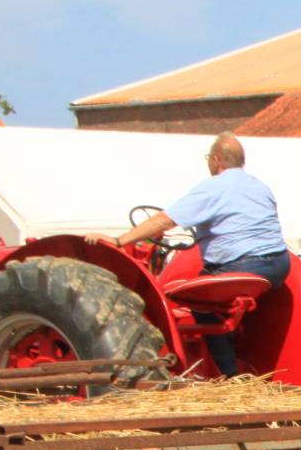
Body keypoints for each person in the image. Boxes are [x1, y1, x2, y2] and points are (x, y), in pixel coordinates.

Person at [99, 132, 289, 376]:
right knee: (209, 283)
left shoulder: (213, 187)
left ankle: (228, 374)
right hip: (279, 265)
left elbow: (164, 221)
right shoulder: (261, 187)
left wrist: (119, 240)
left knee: (198, 298)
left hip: (244, 265)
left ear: (216, 159)